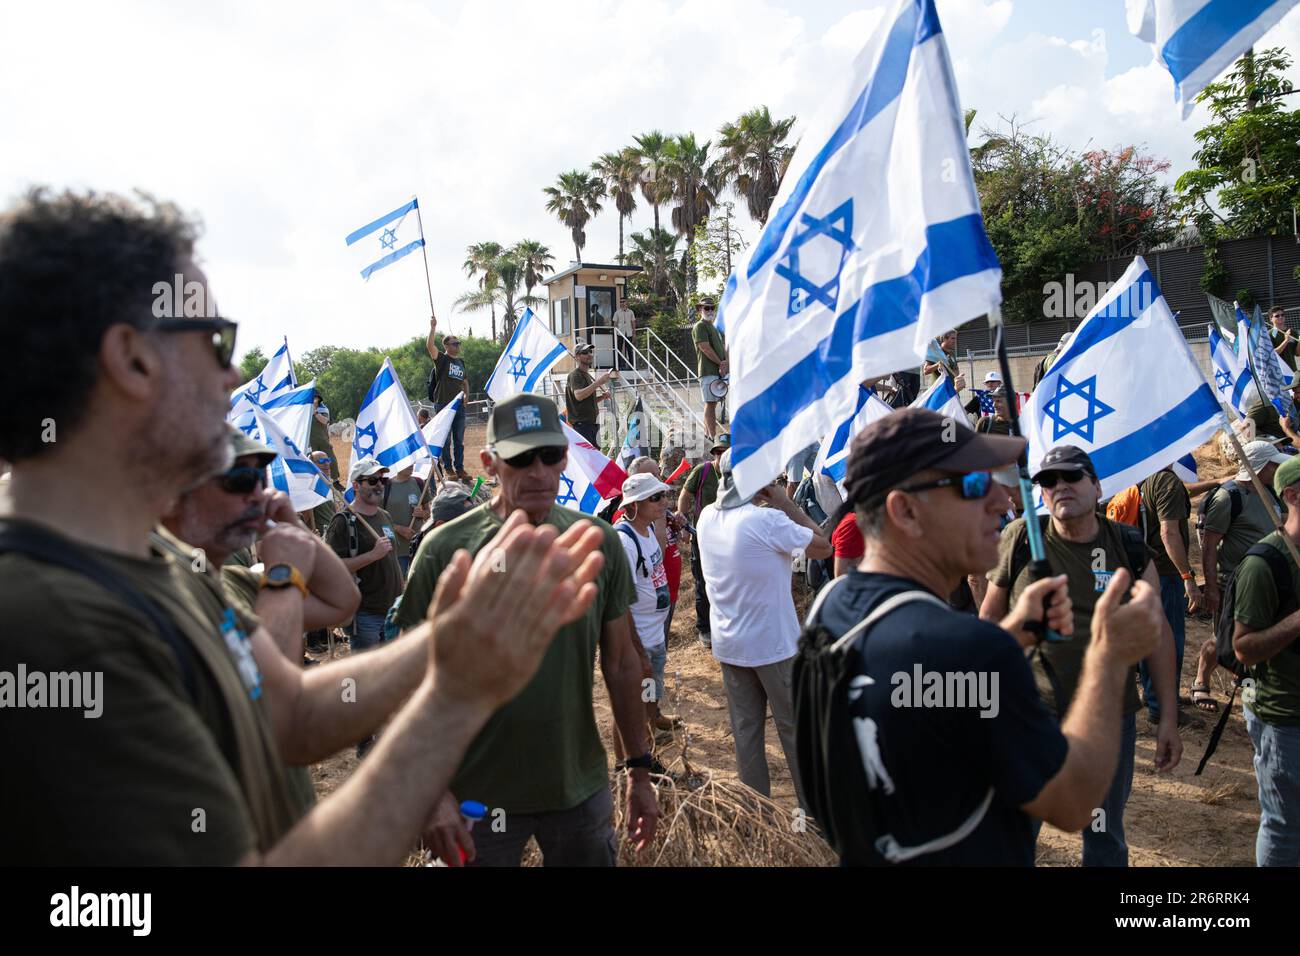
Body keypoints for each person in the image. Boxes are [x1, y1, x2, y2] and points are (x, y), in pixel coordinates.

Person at [0, 187, 608, 865]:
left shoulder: (153, 557)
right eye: (215, 340)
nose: (233, 372)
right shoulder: (46, 622)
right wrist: (454, 697)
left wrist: (452, 641)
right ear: (132, 360)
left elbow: (286, 712)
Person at [806, 408, 1165, 865]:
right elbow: (1074, 803)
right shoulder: (966, 645)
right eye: (973, 485)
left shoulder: (831, 607)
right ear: (906, 511)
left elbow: (922, 690)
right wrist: (1108, 658)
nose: (1002, 500)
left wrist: (1012, 633)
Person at [398, 393, 659, 867]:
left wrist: (638, 771)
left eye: (551, 455)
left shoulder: (594, 540)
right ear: (489, 463)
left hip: (576, 791)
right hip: (476, 797)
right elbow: (406, 680)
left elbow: (621, 664)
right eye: (520, 457)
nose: (538, 471)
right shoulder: (444, 551)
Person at [981, 445, 1181, 866]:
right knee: (1014, 833)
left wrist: (1168, 718)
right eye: (1048, 481)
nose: (1059, 487)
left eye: (1071, 477)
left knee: (1104, 834)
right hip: (1031, 715)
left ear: (1097, 486)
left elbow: (1158, 631)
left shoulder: (1125, 543)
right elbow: (988, 625)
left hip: (1109, 718)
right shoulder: (1021, 539)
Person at [697, 450, 832, 807]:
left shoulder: (707, 518)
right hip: (773, 645)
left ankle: (757, 815)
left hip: (729, 644)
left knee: (746, 733)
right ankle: (813, 814)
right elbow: (823, 547)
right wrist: (788, 505)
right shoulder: (767, 521)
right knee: (795, 729)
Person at [1230, 455, 1300, 866]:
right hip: (1284, 717)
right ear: (1291, 495)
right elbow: (1245, 648)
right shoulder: (1264, 563)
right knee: (1285, 824)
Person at [1192, 440, 1288, 712]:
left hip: (1262, 584)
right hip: (1232, 584)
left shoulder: (1268, 493)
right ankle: (1201, 681)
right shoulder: (1228, 497)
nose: (1276, 468)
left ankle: (1247, 694)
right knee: (1225, 638)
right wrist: (1211, 587)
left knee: (1253, 641)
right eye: (1272, 464)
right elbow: (1209, 545)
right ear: (1258, 466)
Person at [615, 472, 678, 744]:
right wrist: (636, 649)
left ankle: (651, 732)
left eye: (663, 495)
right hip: (639, 641)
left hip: (654, 636)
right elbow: (620, 601)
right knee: (636, 700)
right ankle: (638, 756)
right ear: (634, 505)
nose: (663, 501)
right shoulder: (625, 542)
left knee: (651, 692)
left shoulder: (649, 529)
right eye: (655, 497)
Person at [1137, 463, 1200, 726]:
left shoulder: (1143, 477)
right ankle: (1163, 705)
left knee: (1149, 637)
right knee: (1168, 641)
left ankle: (1154, 695)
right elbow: (1168, 531)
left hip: (1142, 570)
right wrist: (1187, 576)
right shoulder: (1167, 483)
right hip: (1164, 574)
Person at [326, 459, 403, 663]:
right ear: (356, 485)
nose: (379, 484)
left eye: (382, 479)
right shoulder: (343, 521)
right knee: (367, 675)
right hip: (365, 613)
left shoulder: (385, 516)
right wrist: (372, 555)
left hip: (392, 610)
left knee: (390, 671)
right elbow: (332, 568)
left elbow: (391, 560)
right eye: (372, 480)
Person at [678, 433, 729, 648]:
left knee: (726, 582)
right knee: (702, 582)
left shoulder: (738, 473)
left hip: (727, 537)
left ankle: (723, 625)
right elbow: (685, 496)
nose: (721, 456)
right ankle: (705, 628)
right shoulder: (703, 471)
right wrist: (684, 524)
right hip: (702, 537)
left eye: (725, 452)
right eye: (718, 452)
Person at [425, 315, 470, 481]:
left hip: (459, 405)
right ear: (446, 346)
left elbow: (465, 382)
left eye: (459, 343)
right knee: (445, 439)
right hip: (443, 404)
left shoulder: (461, 362)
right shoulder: (442, 360)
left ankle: (460, 469)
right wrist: (432, 328)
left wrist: (466, 396)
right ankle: (448, 469)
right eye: (454, 343)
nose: (457, 346)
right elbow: (430, 346)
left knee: (459, 440)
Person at [383, 464, 428, 578]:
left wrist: (423, 514)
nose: (411, 465)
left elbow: (429, 512)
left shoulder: (419, 483)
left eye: (412, 462)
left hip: (418, 546)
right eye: (406, 463)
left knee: (418, 583)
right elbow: (380, 520)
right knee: (398, 586)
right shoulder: (385, 487)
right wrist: (399, 529)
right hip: (396, 549)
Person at [692, 296, 727, 440]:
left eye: (712, 307)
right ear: (700, 309)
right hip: (708, 371)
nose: (710, 310)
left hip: (718, 372)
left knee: (713, 404)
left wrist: (725, 364)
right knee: (710, 403)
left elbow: (722, 347)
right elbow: (704, 348)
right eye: (707, 308)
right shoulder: (700, 326)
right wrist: (721, 363)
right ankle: (712, 436)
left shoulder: (714, 327)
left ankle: (709, 435)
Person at [565, 342, 612, 447]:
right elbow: (579, 396)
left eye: (590, 351)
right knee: (588, 460)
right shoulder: (575, 375)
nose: (589, 354)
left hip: (590, 425)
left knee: (594, 459)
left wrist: (602, 397)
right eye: (585, 352)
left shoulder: (586, 375)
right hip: (582, 426)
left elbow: (587, 400)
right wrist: (599, 382)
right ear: (577, 357)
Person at [1270, 305, 1296, 372]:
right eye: (1277, 316)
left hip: (1293, 370)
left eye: (1282, 315)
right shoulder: (1269, 334)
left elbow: (1297, 353)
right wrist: (1286, 340)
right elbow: (1273, 354)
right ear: (1271, 319)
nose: (1280, 317)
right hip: (1278, 373)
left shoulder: (1292, 332)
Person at [613, 296, 636, 367]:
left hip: (628, 333)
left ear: (626, 302)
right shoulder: (617, 312)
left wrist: (634, 333)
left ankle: (632, 366)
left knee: (629, 349)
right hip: (620, 333)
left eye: (623, 302)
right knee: (619, 349)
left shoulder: (631, 312)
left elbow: (633, 322)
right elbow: (615, 324)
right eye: (620, 302)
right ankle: (618, 365)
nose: (622, 303)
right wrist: (615, 334)